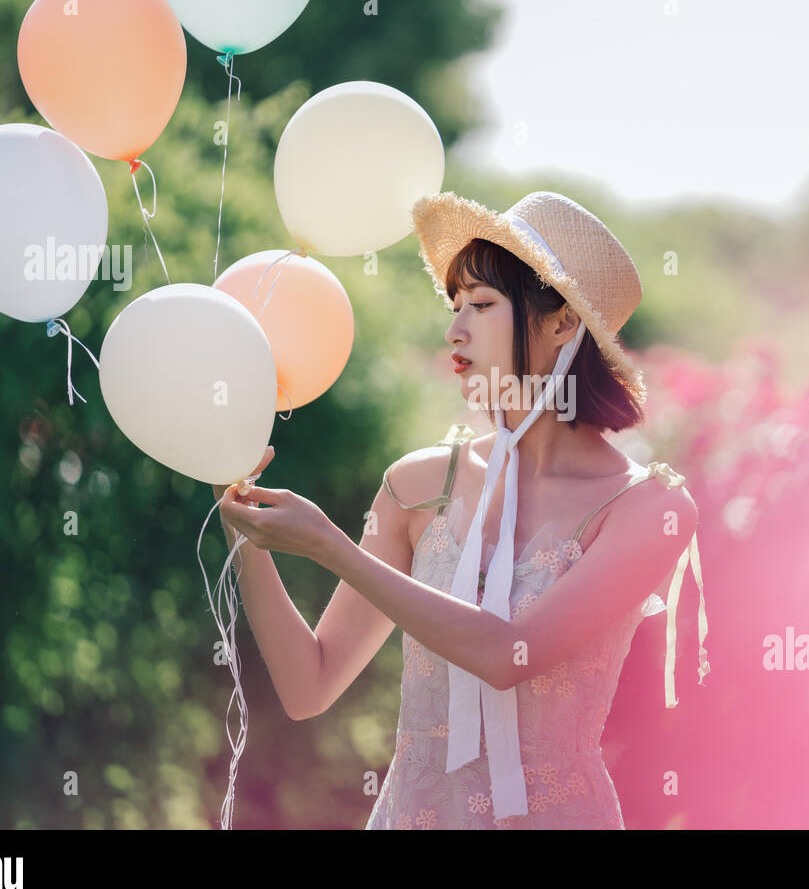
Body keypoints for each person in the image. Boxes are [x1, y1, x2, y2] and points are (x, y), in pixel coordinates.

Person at [215, 190, 708, 828]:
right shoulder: (418, 484)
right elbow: (309, 685)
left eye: (481, 304)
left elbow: (512, 655)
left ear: (562, 323)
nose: (455, 329)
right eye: (454, 305)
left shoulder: (650, 508)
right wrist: (246, 527)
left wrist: (329, 546)